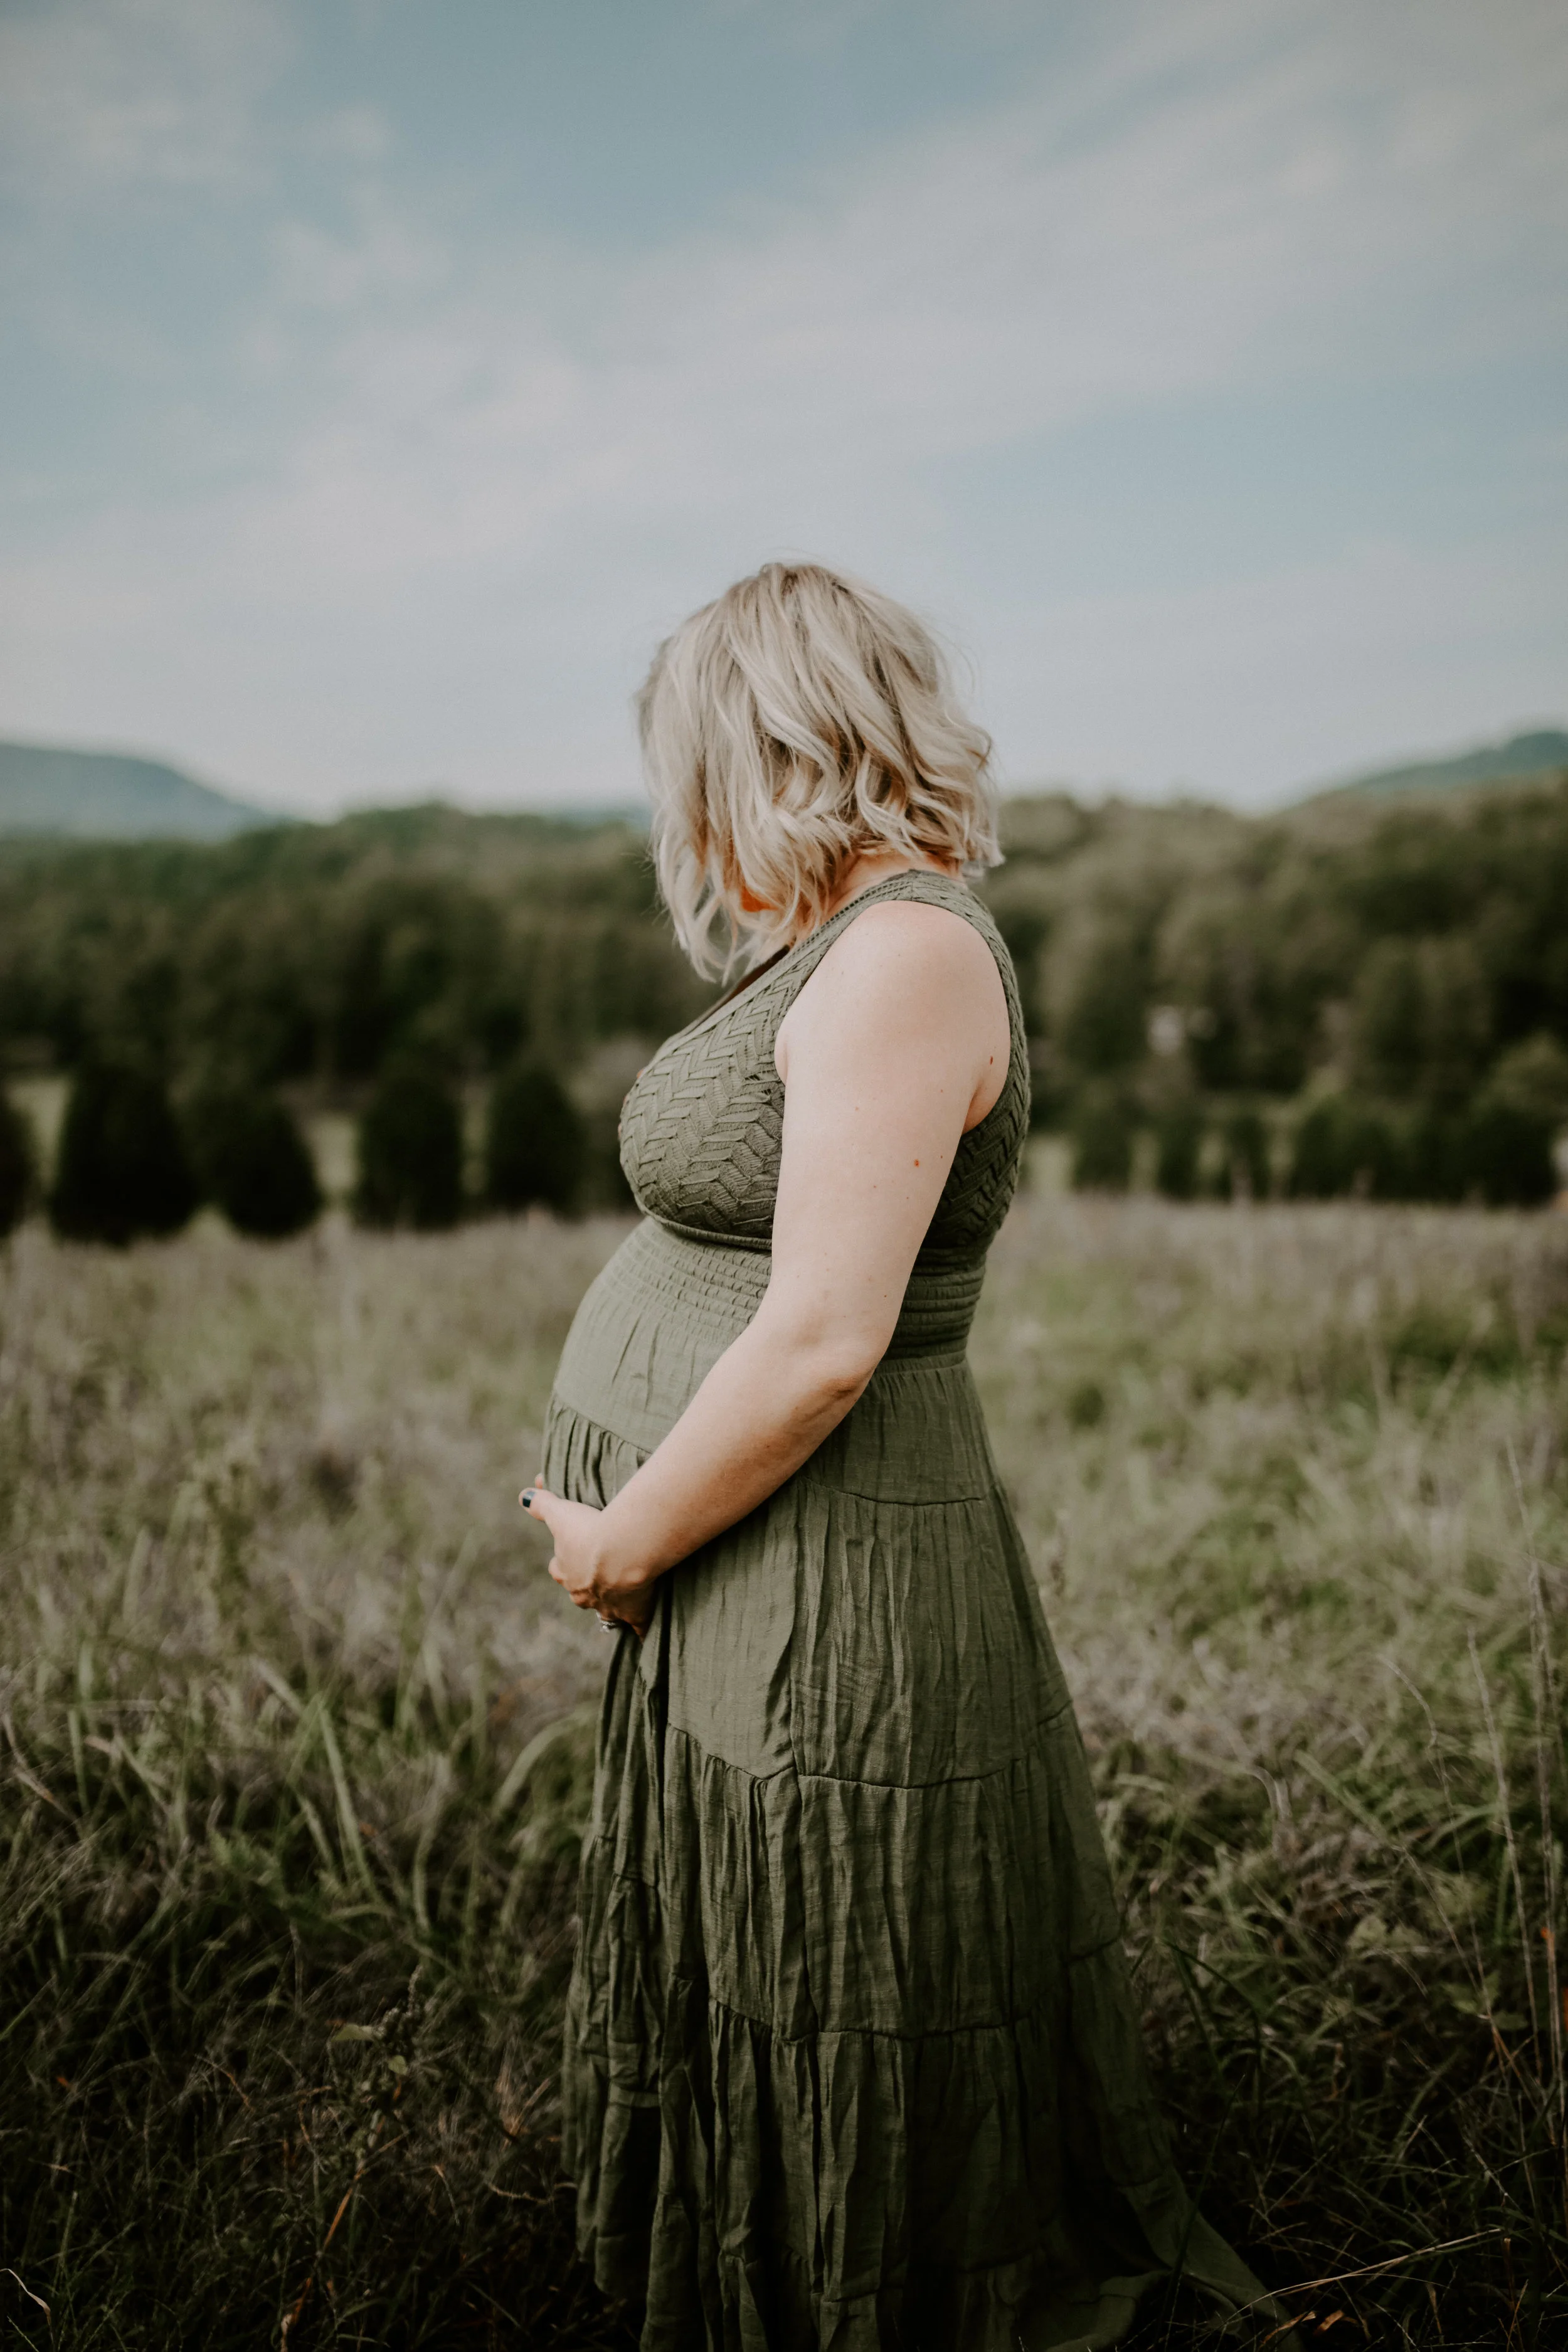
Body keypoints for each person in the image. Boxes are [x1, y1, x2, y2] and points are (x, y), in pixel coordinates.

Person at [521, 563, 1286, 2349]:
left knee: (843, 1950)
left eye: (687, 770)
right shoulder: (841, 945)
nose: (680, 820)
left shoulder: (911, 955)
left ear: (767, 746)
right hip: (759, 1553)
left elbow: (818, 1342)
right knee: (766, 1940)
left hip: (831, 1558)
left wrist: (627, 1540)